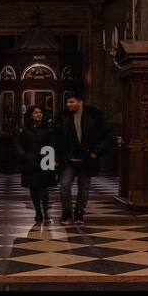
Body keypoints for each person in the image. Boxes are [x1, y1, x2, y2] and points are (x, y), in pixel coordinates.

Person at [56, 89, 111, 224]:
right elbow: (55, 138)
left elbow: (106, 136)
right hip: (68, 159)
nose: (68, 104)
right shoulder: (62, 117)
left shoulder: (94, 117)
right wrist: (55, 157)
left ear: (80, 102)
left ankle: (79, 212)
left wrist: (96, 152)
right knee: (64, 185)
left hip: (86, 159)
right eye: (67, 102)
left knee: (84, 187)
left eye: (71, 102)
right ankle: (67, 214)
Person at [13, 104, 58, 224]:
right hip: (30, 161)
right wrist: (25, 156)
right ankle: (38, 212)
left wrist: (53, 158)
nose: (39, 115)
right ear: (31, 115)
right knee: (34, 188)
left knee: (44, 188)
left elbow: (53, 143)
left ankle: (45, 210)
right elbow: (17, 144)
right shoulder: (24, 128)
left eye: (40, 112)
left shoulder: (48, 128)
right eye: (36, 113)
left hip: (45, 160)